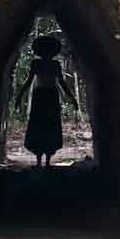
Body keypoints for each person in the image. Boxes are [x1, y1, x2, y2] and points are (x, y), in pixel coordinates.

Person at [15, 34, 77, 168]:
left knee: (41, 126)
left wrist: (19, 97)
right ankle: (45, 161)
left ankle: (41, 162)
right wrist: (72, 99)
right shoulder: (53, 64)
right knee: (48, 126)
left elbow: (30, 81)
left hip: (42, 96)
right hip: (49, 96)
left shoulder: (38, 63)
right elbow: (61, 83)